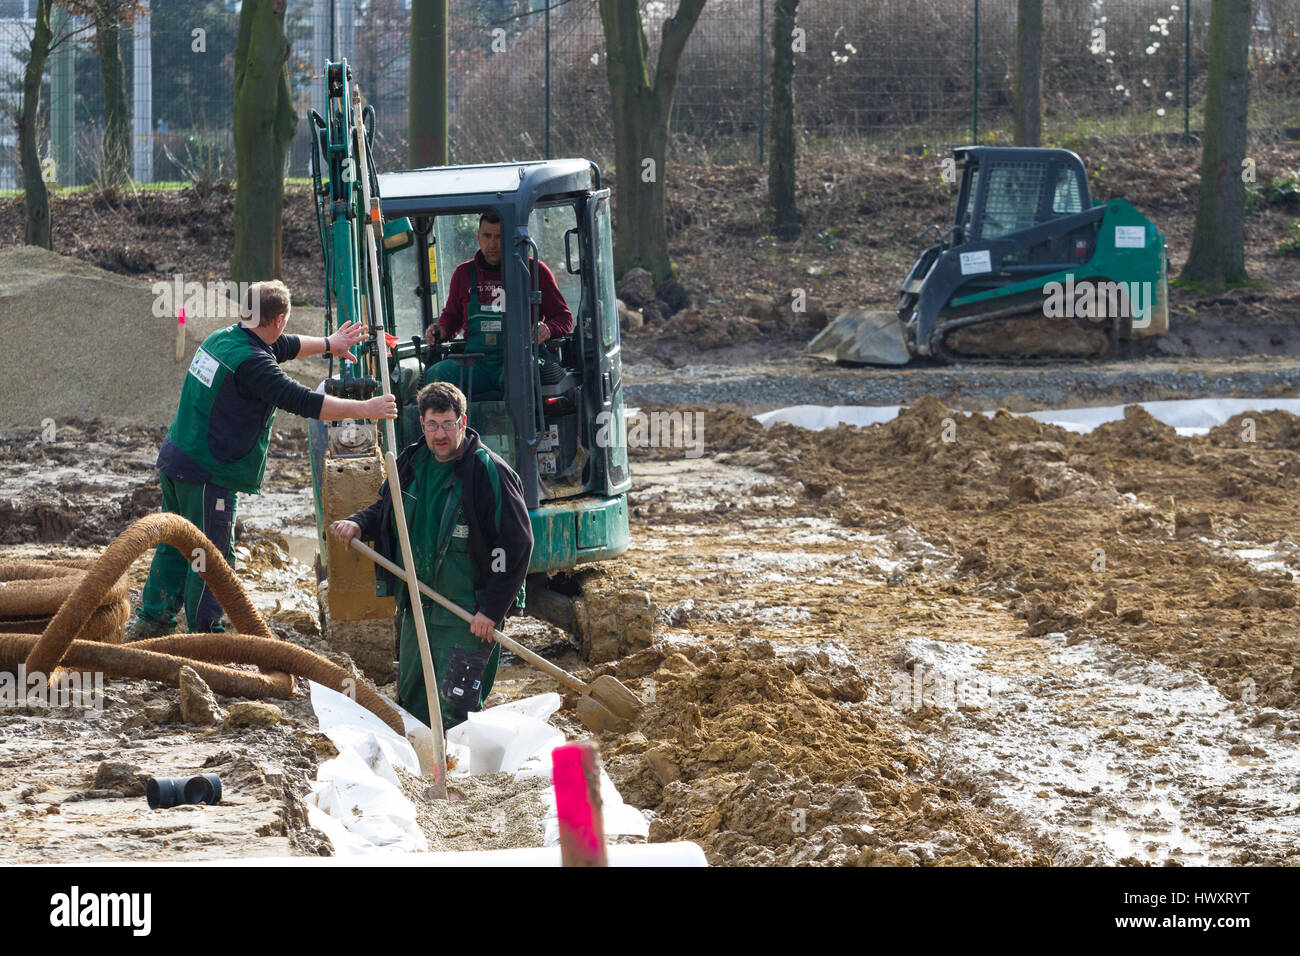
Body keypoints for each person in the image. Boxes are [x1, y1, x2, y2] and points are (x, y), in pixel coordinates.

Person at [130, 279, 398, 638]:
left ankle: (152, 620)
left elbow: (282, 345)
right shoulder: (254, 364)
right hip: (209, 472)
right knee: (212, 555)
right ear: (280, 318)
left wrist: (330, 345)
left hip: (178, 459)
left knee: (176, 545)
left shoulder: (223, 339)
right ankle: (207, 636)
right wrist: (367, 407)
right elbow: (304, 401)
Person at [328, 381, 533, 729]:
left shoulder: (488, 472)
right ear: (422, 424)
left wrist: (492, 610)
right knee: (412, 703)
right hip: (418, 609)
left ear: (463, 422)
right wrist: (359, 524)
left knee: (456, 711)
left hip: (467, 618)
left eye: (448, 424)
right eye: (432, 425)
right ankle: (419, 777)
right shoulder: (411, 461)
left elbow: (515, 545)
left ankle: (457, 779)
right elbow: (387, 509)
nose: (440, 434)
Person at [423, 209, 573, 395]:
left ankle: (517, 424)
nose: (493, 243)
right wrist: (441, 330)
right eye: (487, 236)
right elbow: (452, 317)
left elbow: (564, 317)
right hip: (475, 363)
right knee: (436, 374)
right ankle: (451, 424)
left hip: (518, 358)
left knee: (521, 375)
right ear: (478, 237)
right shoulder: (463, 274)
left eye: (499, 237)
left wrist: (548, 329)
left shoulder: (535, 271)